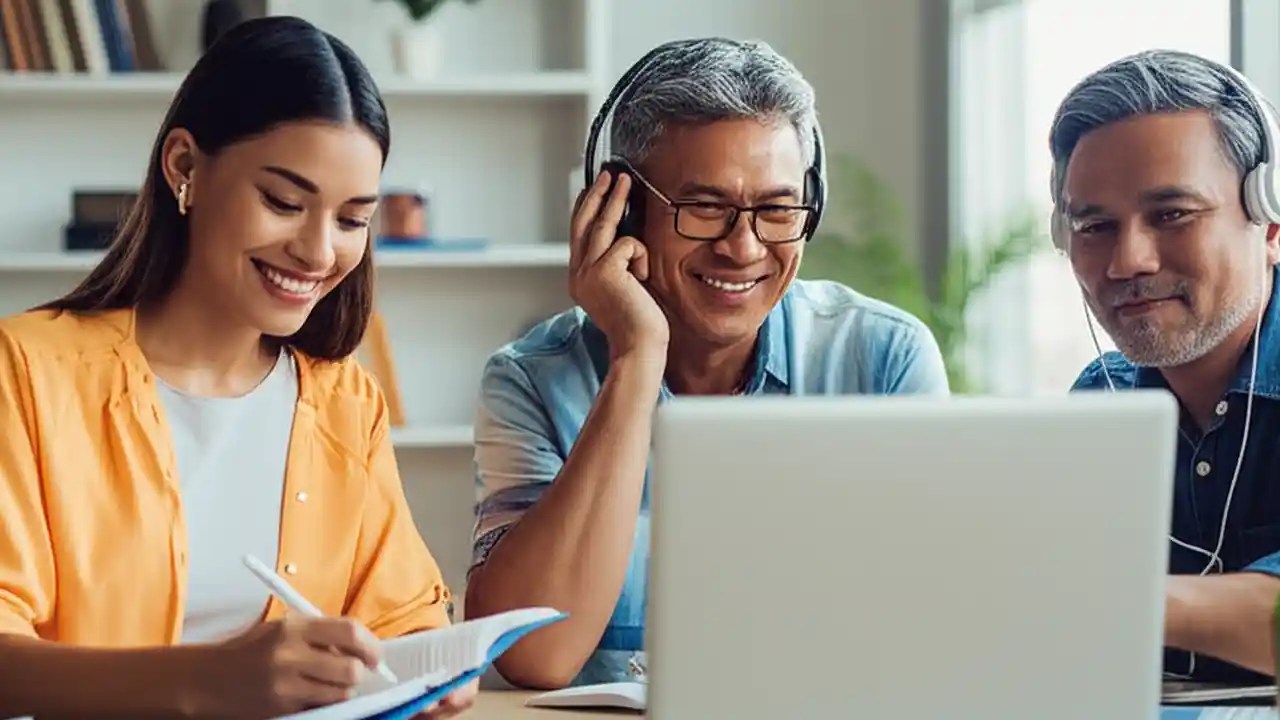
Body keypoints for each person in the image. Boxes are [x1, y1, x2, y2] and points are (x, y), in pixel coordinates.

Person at [0, 16, 476, 719]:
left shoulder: (346, 402)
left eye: (351, 219)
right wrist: (207, 683)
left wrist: (429, 674)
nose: (319, 253)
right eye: (284, 202)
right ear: (185, 168)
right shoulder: (28, 372)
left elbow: (403, 616)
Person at [464, 37, 950, 689]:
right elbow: (535, 657)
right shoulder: (529, 379)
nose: (744, 247)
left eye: (777, 209)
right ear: (625, 211)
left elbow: (929, 634)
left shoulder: (884, 359)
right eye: (705, 209)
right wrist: (637, 356)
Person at [1053, 49, 1280, 682]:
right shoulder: (1101, 405)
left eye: (1172, 215)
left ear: (1268, 221)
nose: (1128, 262)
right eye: (1094, 225)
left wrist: (1103, 599)